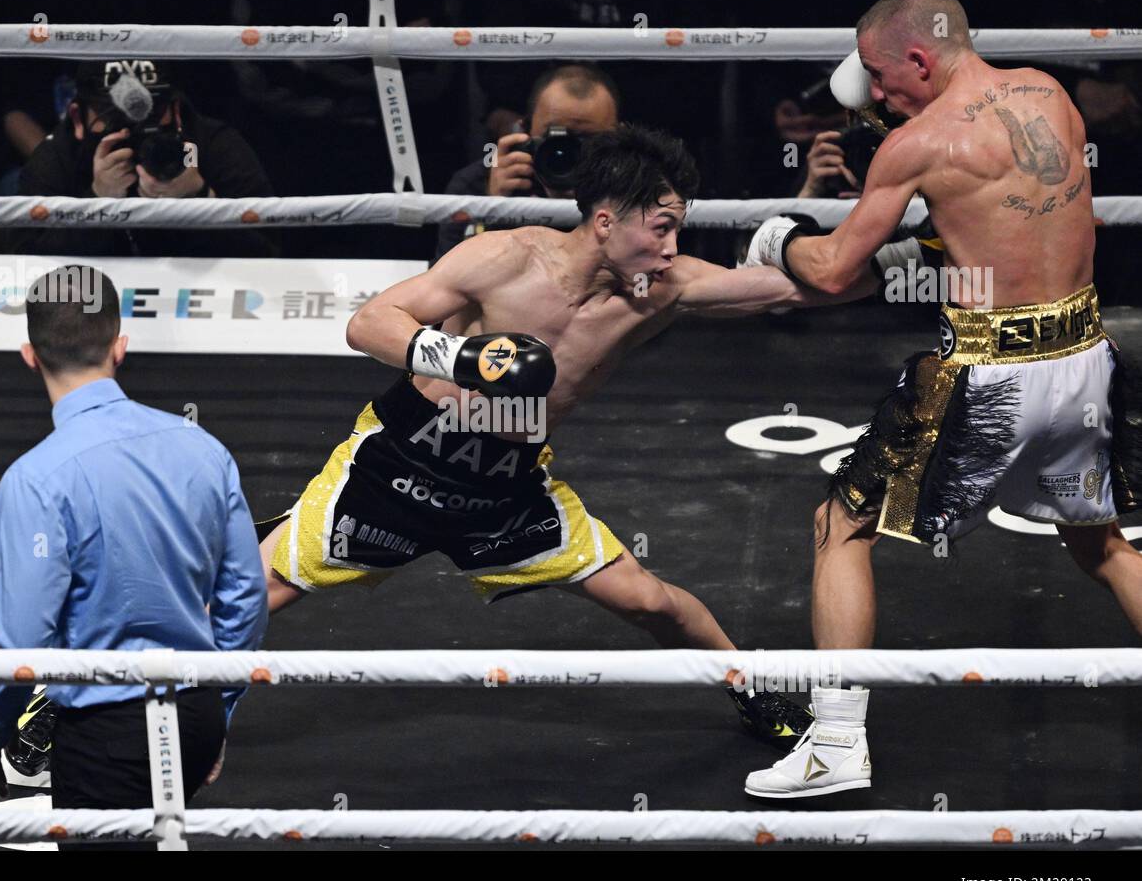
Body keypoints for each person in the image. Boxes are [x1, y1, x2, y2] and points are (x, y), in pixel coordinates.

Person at [256, 124, 892, 748]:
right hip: (397, 465)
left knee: (648, 602)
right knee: (258, 595)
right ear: (608, 220)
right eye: (662, 226)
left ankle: (748, 685)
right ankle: (164, 693)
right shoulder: (504, 258)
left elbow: (818, 287)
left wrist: (906, 253)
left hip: (507, 491)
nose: (673, 246)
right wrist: (470, 360)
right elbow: (368, 324)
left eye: (678, 227)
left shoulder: (666, 289)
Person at [741, 0, 1142, 798]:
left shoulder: (917, 145)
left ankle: (837, 745)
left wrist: (780, 238)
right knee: (1103, 547)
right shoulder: (1052, 94)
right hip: (1086, 358)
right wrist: (940, 242)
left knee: (839, 524)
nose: (877, 102)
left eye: (883, 83)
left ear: (919, 61)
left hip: (990, 374)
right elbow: (1028, 222)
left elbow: (833, 269)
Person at [0, 265, 268, 847]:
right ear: (120, 347)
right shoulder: (203, 449)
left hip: (106, 730)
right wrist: (216, 707)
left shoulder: (34, 479)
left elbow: (21, 640)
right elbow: (246, 595)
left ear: (30, 355)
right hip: (194, 712)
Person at [15, 59, 276, 258]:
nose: (132, 130)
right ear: (77, 118)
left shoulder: (213, 144)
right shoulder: (57, 158)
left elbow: (271, 254)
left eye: (149, 117)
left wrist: (200, 200)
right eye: (113, 120)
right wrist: (96, 204)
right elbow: (27, 264)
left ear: (175, 111)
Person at [432, 64, 621, 262]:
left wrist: (615, 199)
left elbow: (643, 281)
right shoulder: (477, 186)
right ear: (525, 130)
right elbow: (446, 286)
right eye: (556, 139)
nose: (570, 154)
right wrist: (494, 212)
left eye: (590, 141)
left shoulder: (636, 186)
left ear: (618, 137)